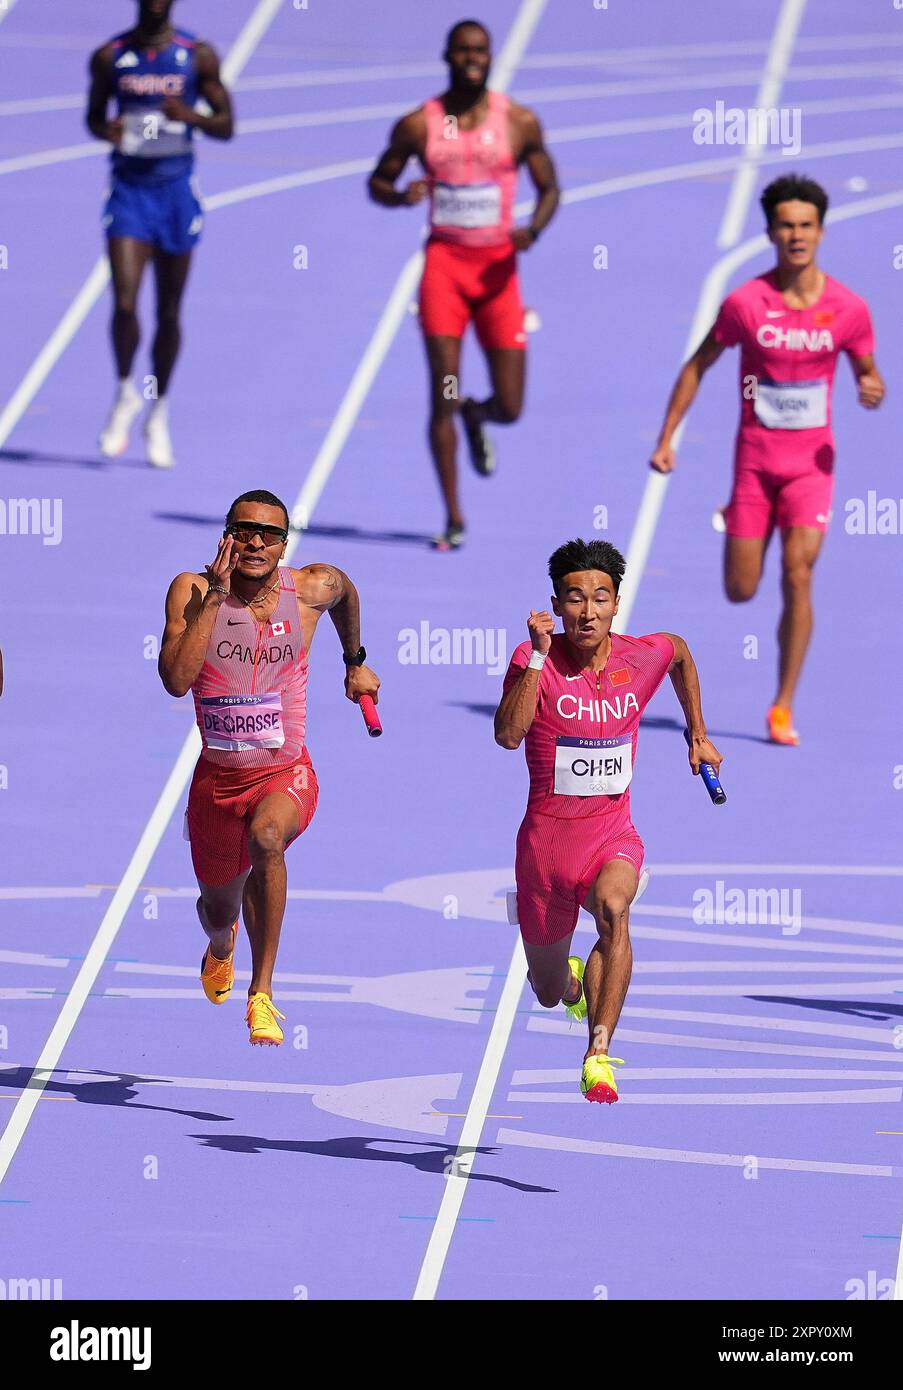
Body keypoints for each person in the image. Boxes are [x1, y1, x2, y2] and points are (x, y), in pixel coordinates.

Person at [650, 174, 884, 744]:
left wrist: (872, 387)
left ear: (821, 232)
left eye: (806, 225)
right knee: (741, 589)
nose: (796, 235)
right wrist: (667, 437)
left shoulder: (848, 308)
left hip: (812, 467)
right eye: (786, 225)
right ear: (771, 232)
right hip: (755, 464)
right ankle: (738, 516)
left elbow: (867, 371)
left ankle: (782, 704)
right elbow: (697, 365)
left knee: (799, 572)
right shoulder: (746, 304)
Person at [494, 538, 722, 1103]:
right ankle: (573, 984)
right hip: (544, 852)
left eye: (600, 598)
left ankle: (598, 1054)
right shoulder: (533, 660)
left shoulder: (639, 657)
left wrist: (697, 732)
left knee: (614, 909)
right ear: (556, 604)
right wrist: (539, 656)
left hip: (610, 836)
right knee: (548, 991)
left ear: (617, 603)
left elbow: (679, 652)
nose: (588, 611)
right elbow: (508, 735)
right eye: (575, 599)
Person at [158, 490, 380, 1045]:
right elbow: (177, 681)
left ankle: (262, 992)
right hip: (218, 782)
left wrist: (355, 661)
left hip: (285, 771)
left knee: (267, 839)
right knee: (217, 909)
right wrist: (214, 599)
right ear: (226, 536)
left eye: (271, 534)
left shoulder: (310, 588)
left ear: (284, 545)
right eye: (245, 531)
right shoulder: (191, 590)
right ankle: (222, 946)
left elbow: (346, 590)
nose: (257, 542)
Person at [368, 18, 559, 550]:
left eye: (480, 50)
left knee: (512, 406)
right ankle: (453, 516)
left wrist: (532, 231)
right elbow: (378, 181)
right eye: (463, 50)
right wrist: (400, 195)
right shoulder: (418, 125)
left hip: (498, 275)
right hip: (445, 272)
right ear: (448, 56)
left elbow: (550, 188)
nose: (472, 58)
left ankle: (480, 414)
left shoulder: (518, 121)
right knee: (443, 394)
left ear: (490, 57)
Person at [86, 0, 234, 468]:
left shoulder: (197, 55)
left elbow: (227, 125)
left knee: (168, 311)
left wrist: (191, 116)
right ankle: (125, 391)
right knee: (125, 304)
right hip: (130, 193)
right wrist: (107, 130)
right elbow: (93, 117)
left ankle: (159, 411)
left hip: (176, 195)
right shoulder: (110, 56)